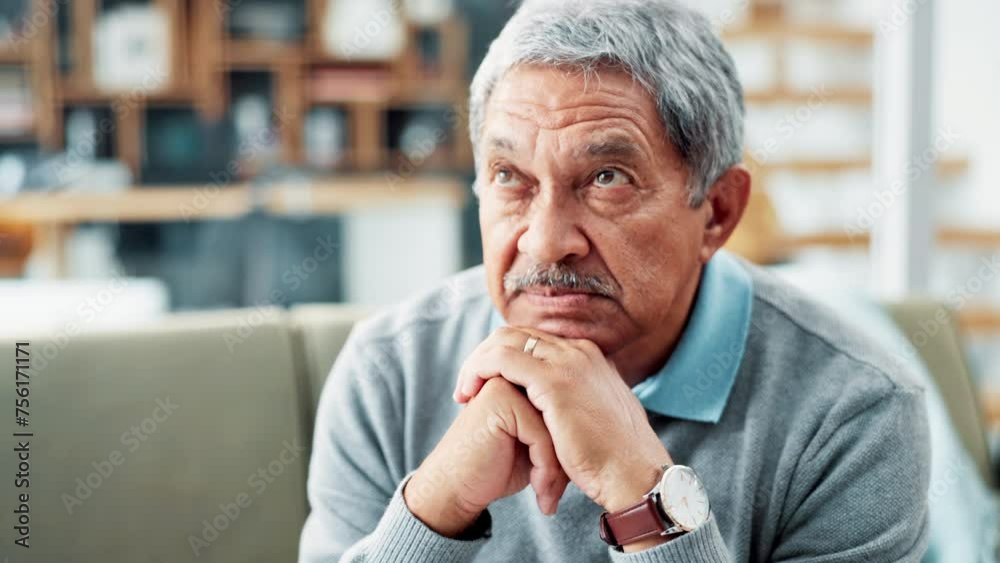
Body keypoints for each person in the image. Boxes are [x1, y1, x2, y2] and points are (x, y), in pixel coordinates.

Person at [299, 0, 930, 560]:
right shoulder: (388, 371)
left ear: (718, 213)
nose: (545, 241)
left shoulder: (856, 413)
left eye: (607, 178)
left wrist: (644, 497)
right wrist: (435, 507)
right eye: (508, 176)